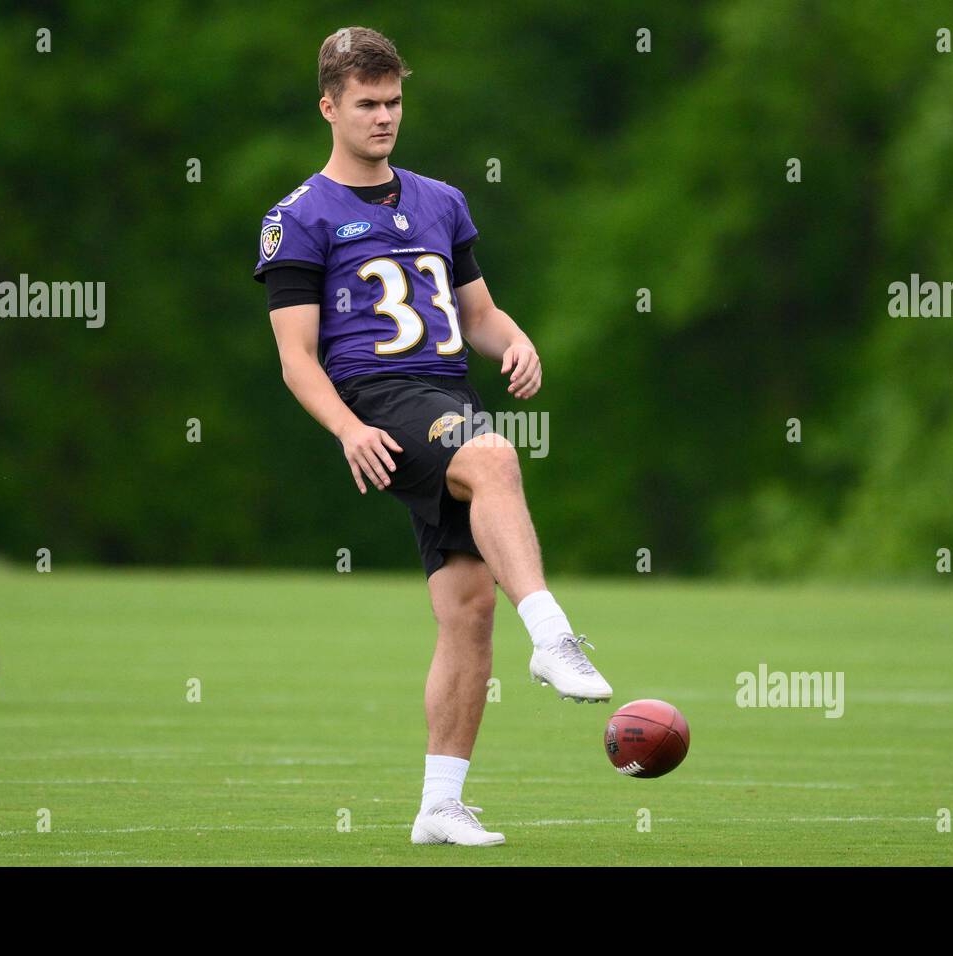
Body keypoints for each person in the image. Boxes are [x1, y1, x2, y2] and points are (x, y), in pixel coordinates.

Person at [255, 26, 612, 847]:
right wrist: (348, 428)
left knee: (467, 607)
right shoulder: (299, 218)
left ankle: (439, 807)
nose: (384, 117)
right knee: (493, 455)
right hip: (379, 397)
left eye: (393, 102)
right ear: (329, 107)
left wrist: (516, 341)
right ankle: (553, 636)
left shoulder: (441, 201)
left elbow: (478, 315)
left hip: (447, 392)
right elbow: (296, 358)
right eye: (366, 104)